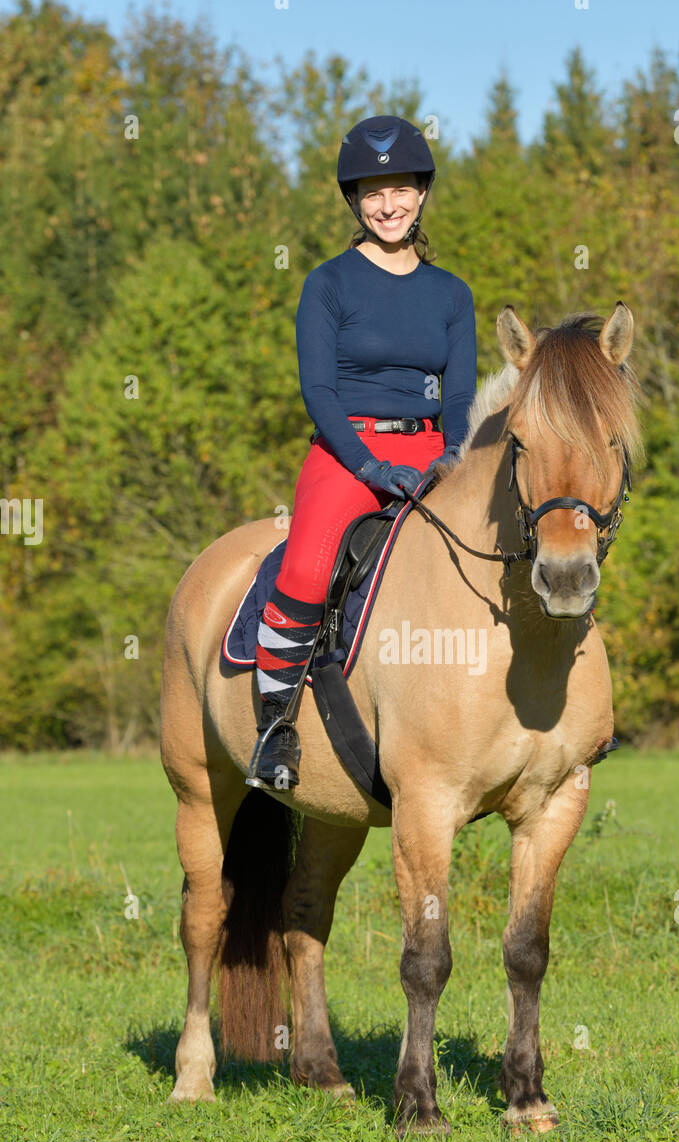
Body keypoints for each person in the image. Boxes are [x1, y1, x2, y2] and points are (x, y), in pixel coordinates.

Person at [246, 115, 477, 790]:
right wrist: (368, 466)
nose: (388, 204)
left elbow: (460, 396)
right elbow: (318, 389)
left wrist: (453, 456)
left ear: (423, 191)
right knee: (308, 574)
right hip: (347, 451)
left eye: (400, 187)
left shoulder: (452, 293)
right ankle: (275, 734)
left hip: (433, 453)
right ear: (355, 200)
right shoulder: (328, 284)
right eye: (372, 192)